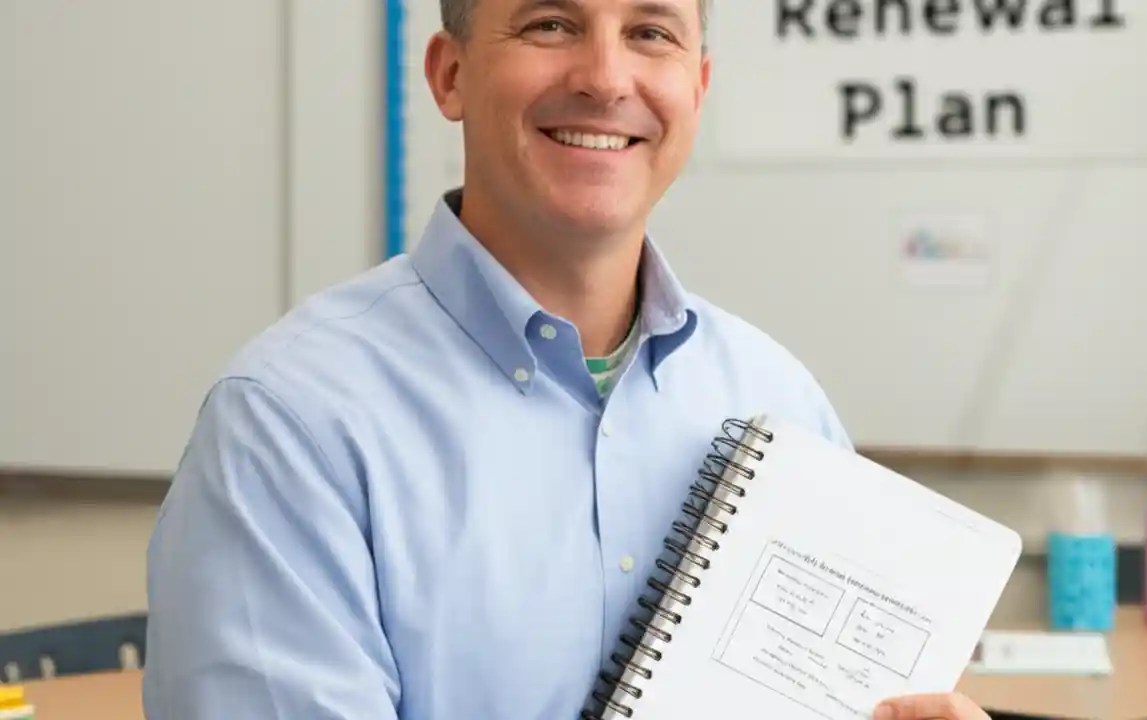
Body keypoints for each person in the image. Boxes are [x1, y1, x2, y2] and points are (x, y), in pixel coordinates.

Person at [142, 0, 990, 718]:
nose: (606, 79)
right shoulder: (291, 422)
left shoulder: (782, 402)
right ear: (450, 76)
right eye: (551, 24)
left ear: (697, 85)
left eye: (651, 33)